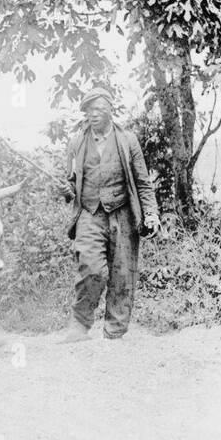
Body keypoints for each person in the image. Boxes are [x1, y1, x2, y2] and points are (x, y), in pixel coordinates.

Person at [58, 88, 160, 341]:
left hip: (123, 212)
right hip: (90, 213)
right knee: (91, 268)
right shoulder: (76, 143)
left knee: (123, 274)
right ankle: (79, 326)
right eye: (89, 110)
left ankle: (114, 332)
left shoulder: (127, 140)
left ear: (110, 111)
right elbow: (71, 185)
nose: (93, 115)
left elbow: (143, 182)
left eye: (99, 110)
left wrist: (151, 214)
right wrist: (66, 190)